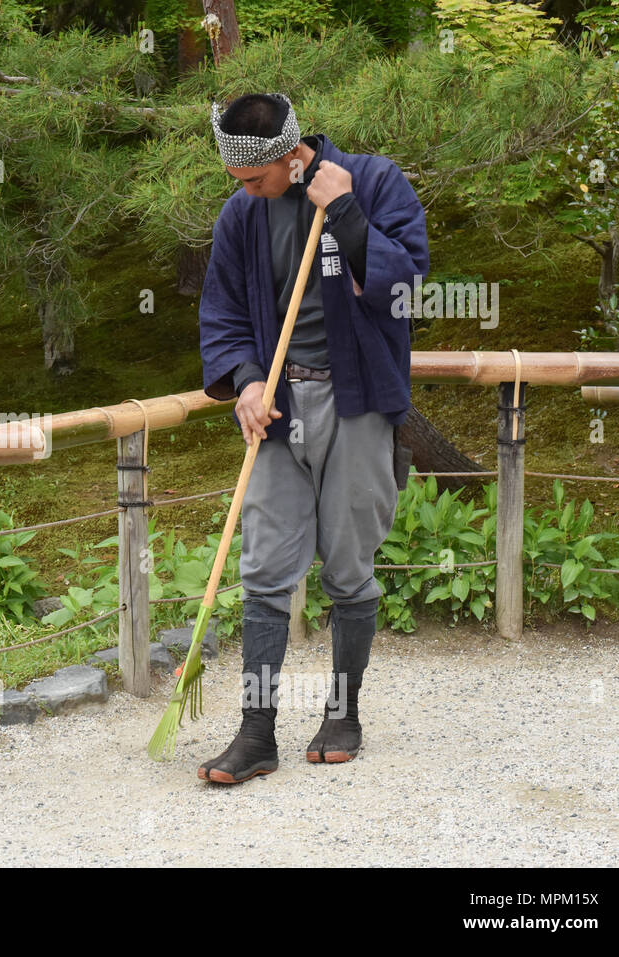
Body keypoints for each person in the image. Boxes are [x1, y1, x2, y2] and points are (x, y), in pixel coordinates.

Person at [196, 92, 428, 785]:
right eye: (239, 181)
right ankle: (256, 731)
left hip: (357, 402)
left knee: (349, 564)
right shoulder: (241, 216)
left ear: (290, 155)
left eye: (255, 178)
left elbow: (407, 289)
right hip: (280, 404)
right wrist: (245, 381)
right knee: (265, 566)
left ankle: (344, 711)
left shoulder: (374, 182)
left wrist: (349, 213)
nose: (245, 192)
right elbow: (225, 312)